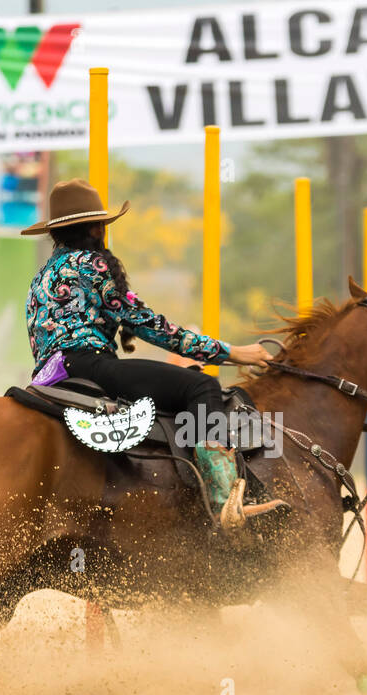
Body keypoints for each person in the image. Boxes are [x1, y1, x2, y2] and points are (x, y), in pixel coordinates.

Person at [21, 178, 284, 531]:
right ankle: (223, 503)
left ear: (57, 232)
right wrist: (232, 353)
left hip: (48, 374)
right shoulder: (93, 265)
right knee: (199, 388)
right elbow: (151, 326)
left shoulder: (42, 275)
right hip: (89, 364)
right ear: (97, 226)